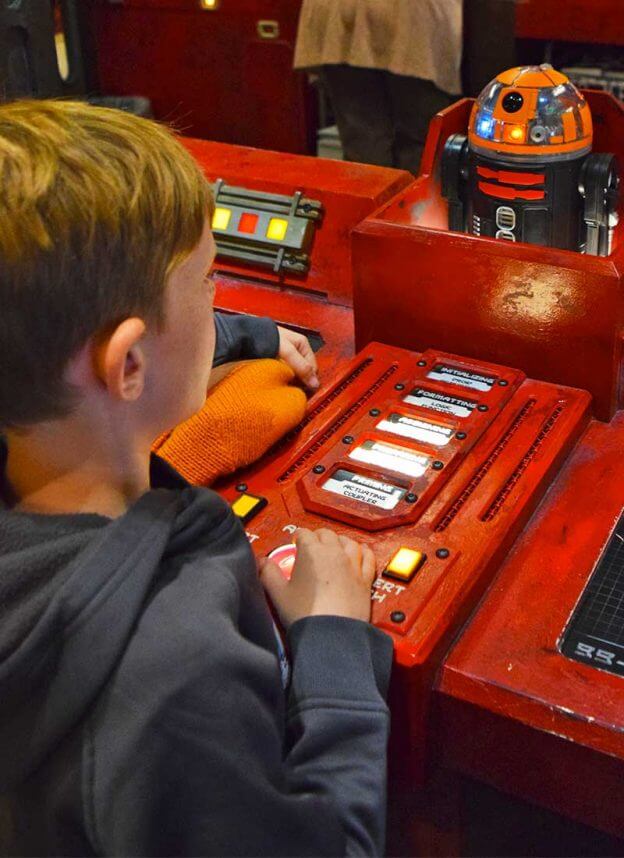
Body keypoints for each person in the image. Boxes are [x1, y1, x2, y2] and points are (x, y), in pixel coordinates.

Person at [0, 100, 394, 855]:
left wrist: (255, 335)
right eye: (213, 281)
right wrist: (336, 644)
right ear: (130, 365)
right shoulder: (173, 674)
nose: (223, 304)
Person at [294, 0, 463, 174]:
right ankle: (412, 198)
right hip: (414, 20)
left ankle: (370, 196)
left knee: (363, 145)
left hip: (337, 14)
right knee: (421, 144)